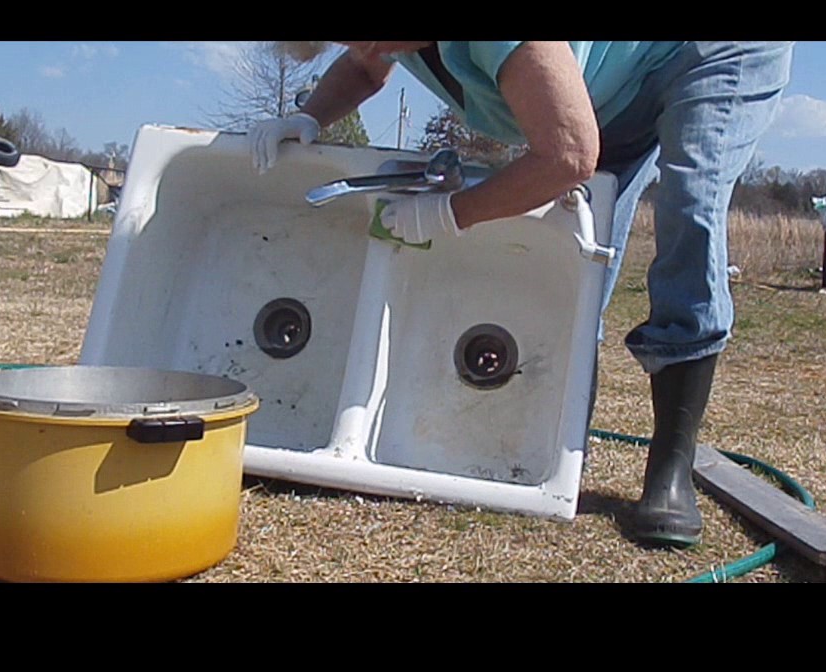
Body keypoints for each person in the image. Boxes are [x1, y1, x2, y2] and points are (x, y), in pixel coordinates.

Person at [248, 41, 793, 547]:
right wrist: (309, 116)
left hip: (710, 53)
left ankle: (670, 463)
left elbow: (568, 157)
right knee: (578, 259)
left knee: (690, 204)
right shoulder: (378, 43)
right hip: (615, 95)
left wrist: (450, 212)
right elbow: (365, 68)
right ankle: (553, 444)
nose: (366, 48)